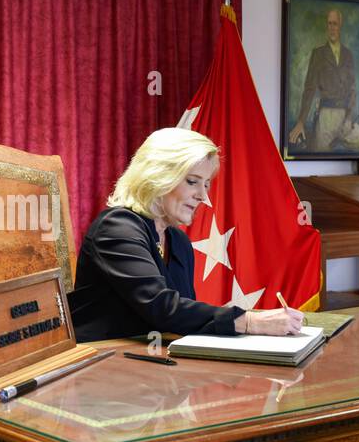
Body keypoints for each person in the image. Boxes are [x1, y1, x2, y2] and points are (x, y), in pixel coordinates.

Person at [68, 128, 303, 343]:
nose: (203, 195)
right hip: (101, 364)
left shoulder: (178, 241)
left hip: (156, 363)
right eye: (192, 182)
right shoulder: (117, 227)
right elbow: (163, 309)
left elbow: (183, 318)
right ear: (157, 177)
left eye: (207, 185)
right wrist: (250, 322)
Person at [290, 7, 359, 153]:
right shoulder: (318, 54)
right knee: (319, 153)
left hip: (345, 116)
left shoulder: (348, 54)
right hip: (326, 116)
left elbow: (352, 89)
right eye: (329, 23)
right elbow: (309, 89)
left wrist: (349, 116)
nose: (332, 28)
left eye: (335, 23)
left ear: (340, 24)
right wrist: (301, 121)